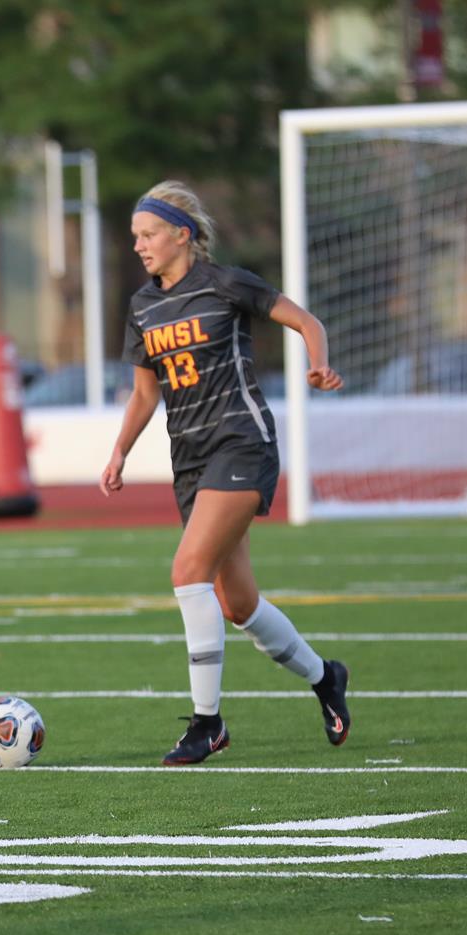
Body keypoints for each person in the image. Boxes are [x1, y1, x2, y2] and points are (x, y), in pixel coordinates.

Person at [98, 181, 348, 765]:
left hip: (242, 443)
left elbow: (307, 322)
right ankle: (325, 677)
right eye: (135, 237)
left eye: (149, 234)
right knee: (238, 605)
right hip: (188, 458)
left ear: (182, 234)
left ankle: (207, 724)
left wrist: (318, 365)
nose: (139, 246)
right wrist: (119, 452)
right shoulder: (142, 306)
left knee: (187, 569)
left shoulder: (225, 283)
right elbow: (143, 394)